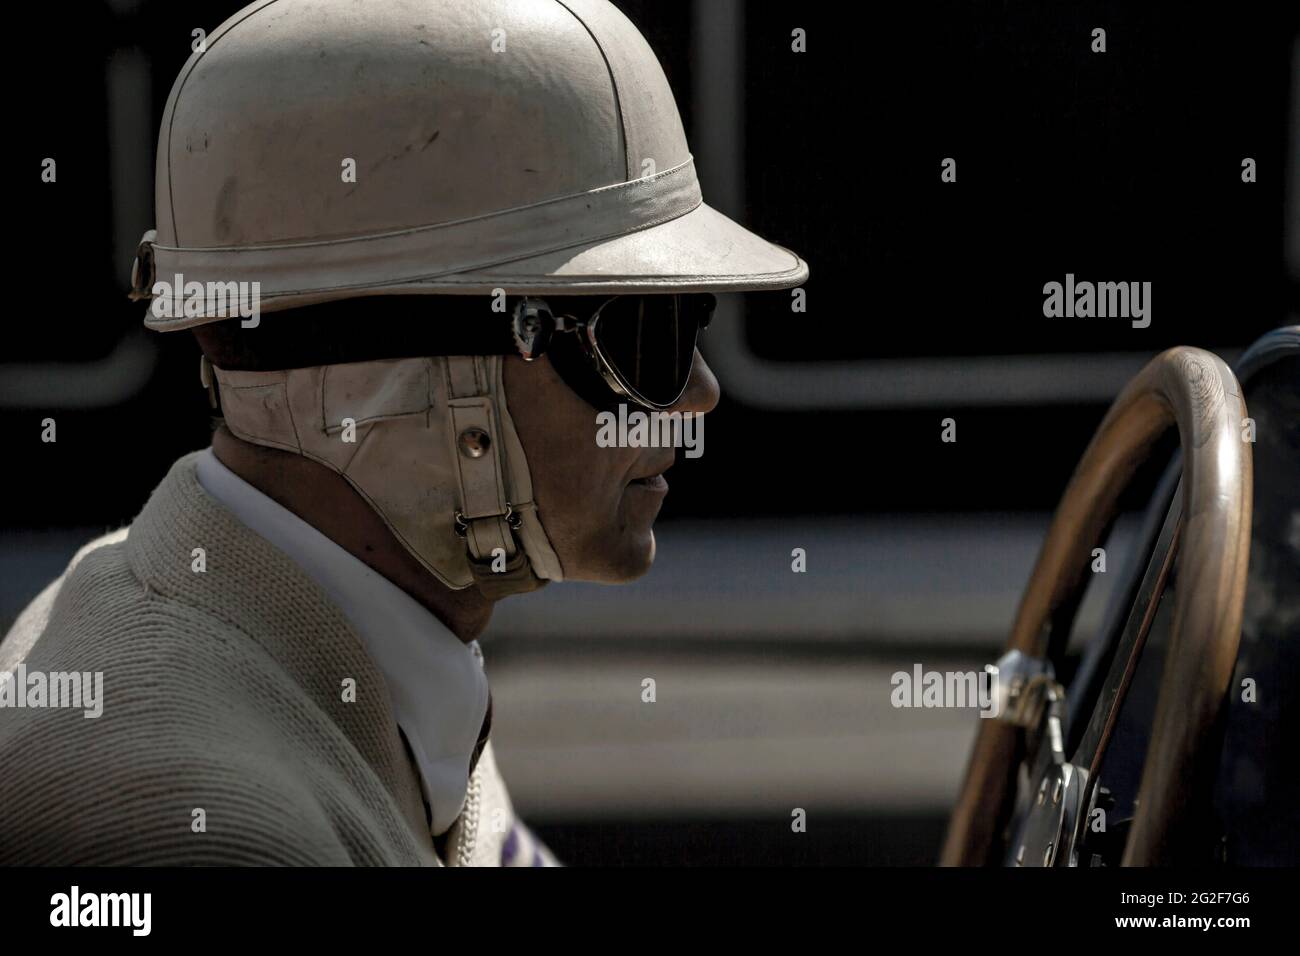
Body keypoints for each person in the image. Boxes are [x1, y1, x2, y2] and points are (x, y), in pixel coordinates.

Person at [0, 0, 807, 865]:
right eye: (644, 337)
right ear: (424, 383)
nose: (698, 394)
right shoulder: (198, 829)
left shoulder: (383, 632)